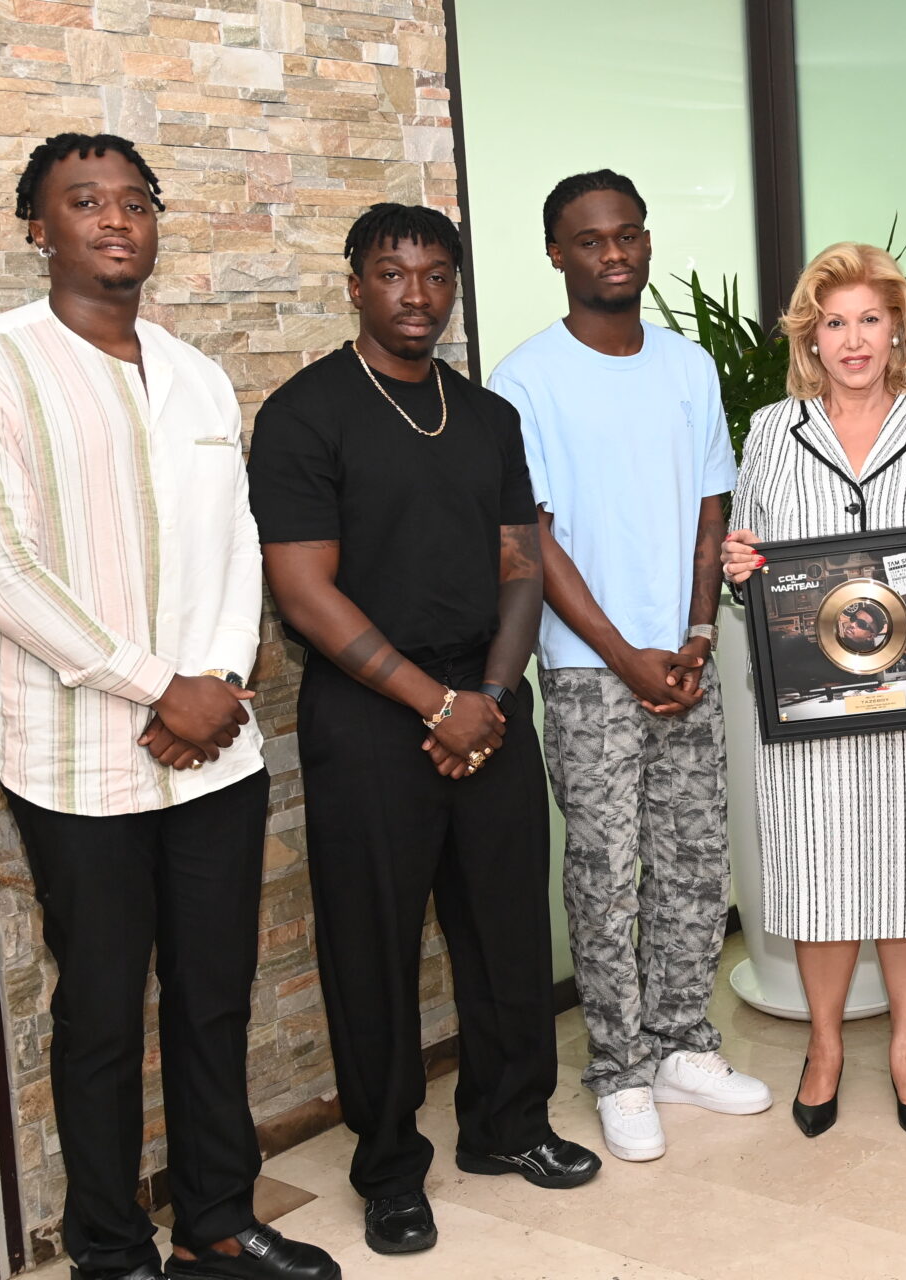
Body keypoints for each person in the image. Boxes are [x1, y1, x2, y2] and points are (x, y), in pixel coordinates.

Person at [0, 133, 338, 1280]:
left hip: (214, 748)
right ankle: (111, 1246)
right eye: (83, 201)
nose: (115, 219)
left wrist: (218, 685)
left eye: (134, 201)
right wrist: (160, 686)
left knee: (214, 997)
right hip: (75, 752)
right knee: (101, 1010)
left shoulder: (197, 375)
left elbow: (234, 545)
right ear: (36, 228)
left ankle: (215, 1217)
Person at [248, 203, 600, 1257]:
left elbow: (520, 562)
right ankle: (390, 1163)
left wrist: (485, 696)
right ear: (354, 282)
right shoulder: (304, 413)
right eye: (394, 275)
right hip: (368, 714)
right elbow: (306, 593)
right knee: (373, 945)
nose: (417, 296)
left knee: (504, 930)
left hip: (484, 698)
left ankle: (508, 1122)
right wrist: (433, 704)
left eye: (437, 275)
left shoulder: (485, 416)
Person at [488, 169, 769, 1165]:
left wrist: (695, 637)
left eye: (629, 234)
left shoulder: (689, 368)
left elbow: (709, 512)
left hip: (683, 658)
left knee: (695, 858)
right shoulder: (526, 380)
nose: (614, 252)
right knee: (607, 870)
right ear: (556, 252)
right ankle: (619, 1067)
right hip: (586, 668)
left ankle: (685, 1042)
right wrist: (626, 656)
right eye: (590, 238)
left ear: (647, 241)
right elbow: (536, 540)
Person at [721, 242, 906, 1141]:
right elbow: (749, 558)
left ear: (898, 331)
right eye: (835, 323)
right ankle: (824, 1048)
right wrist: (738, 566)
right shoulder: (774, 429)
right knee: (817, 875)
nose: (853, 341)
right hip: (812, 707)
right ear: (813, 337)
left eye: (870, 321)